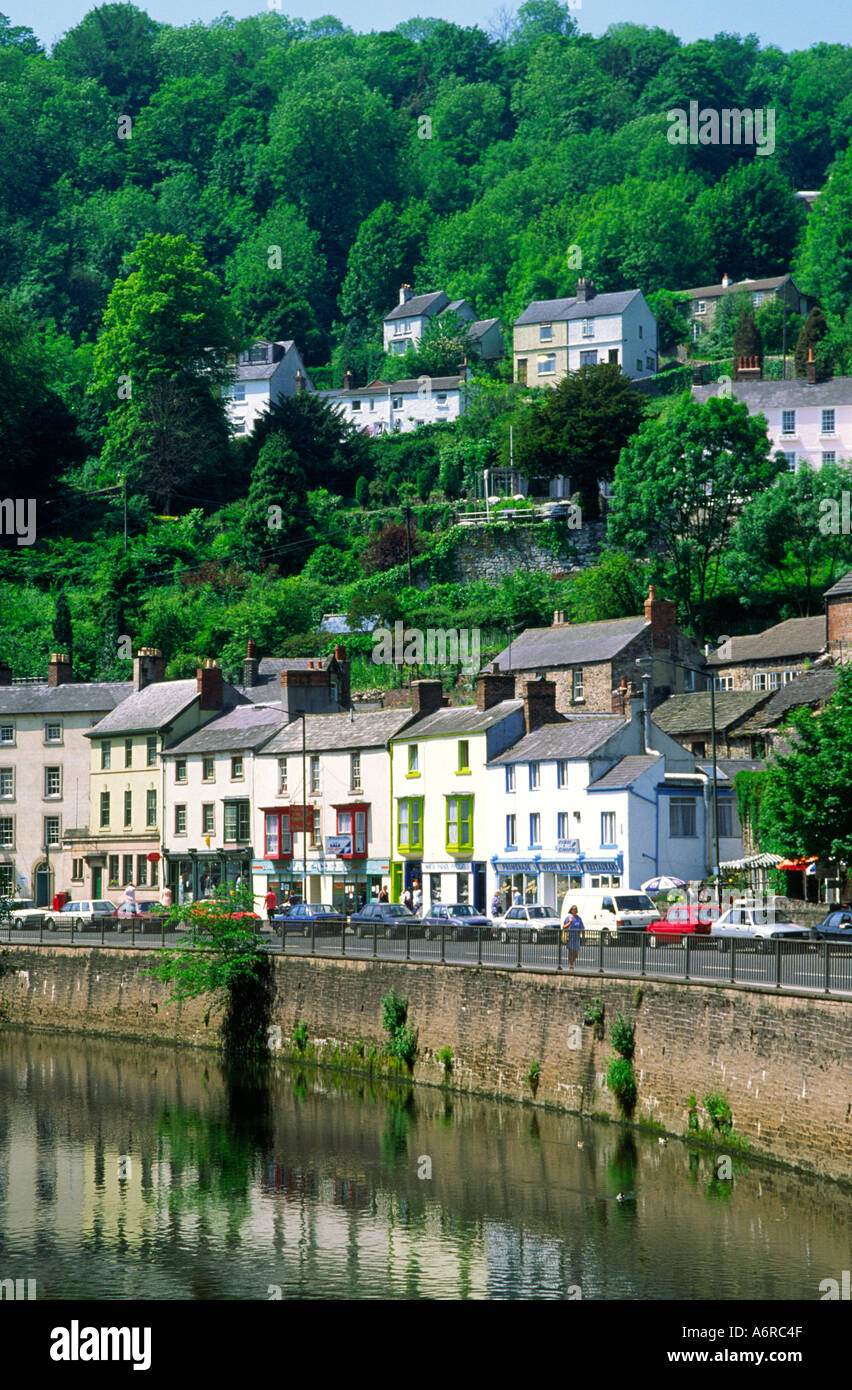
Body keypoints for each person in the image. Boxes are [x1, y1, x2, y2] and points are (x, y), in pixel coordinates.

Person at [562, 903, 585, 972]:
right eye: (573, 909)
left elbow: (582, 928)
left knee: (576, 953)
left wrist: (583, 938)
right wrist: (569, 923)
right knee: (571, 951)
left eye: (575, 909)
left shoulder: (579, 919)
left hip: (576, 937)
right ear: (571, 910)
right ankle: (571, 965)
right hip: (570, 937)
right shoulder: (568, 917)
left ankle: (571, 960)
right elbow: (563, 927)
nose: (574, 910)